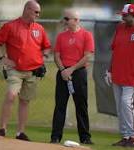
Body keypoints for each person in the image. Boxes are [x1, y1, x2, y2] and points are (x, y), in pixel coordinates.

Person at [0, 0, 51, 141]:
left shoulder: (39, 29)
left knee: (25, 101)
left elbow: (46, 46)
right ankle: (2, 129)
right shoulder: (10, 26)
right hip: (15, 70)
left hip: (33, 72)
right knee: (11, 95)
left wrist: (44, 56)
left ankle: (20, 132)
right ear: (27, 10)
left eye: (39, 12)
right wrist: (2, 58)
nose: (38, 15)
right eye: (36, 12)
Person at [50, 9, 95, 144]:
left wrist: (71, 70)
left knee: (81, 105)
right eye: (64, 18)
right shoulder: (61, 36)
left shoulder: (87, 35)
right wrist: (63, 70)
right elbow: (56, 55)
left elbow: (87, 56)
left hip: (79, 73)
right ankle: (55, 137)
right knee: (60, 106)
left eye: (67, 18)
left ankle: (85, 138)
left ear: (76, 20)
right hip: (63, 73)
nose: (64, 21)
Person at [105, 4, 134, 148]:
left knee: (126, 103)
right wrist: (109, 70)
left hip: (133, 75)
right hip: (117, 73)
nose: (122, 17)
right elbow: (114, 50)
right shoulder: (120, 27)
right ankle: (125, 137)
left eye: (125, 15)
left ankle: (133, 137)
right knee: (119, 106)